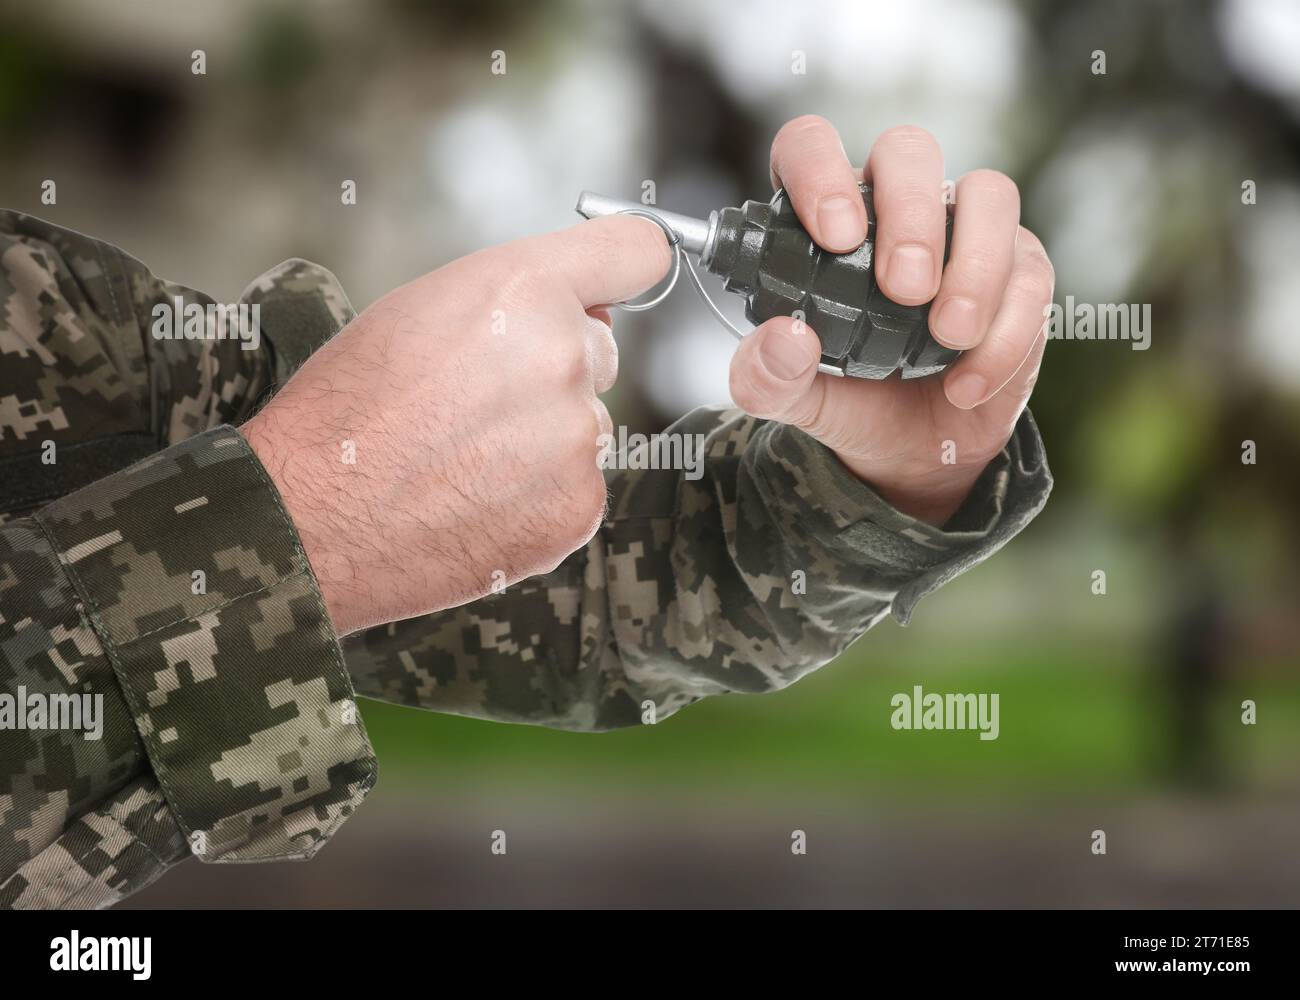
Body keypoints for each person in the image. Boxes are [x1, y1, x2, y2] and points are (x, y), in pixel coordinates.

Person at [0, 118, 1053, 908]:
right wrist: (301, 526)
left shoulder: (43, 314)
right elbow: (314, 491)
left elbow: (606, 583)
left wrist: (884, 474)